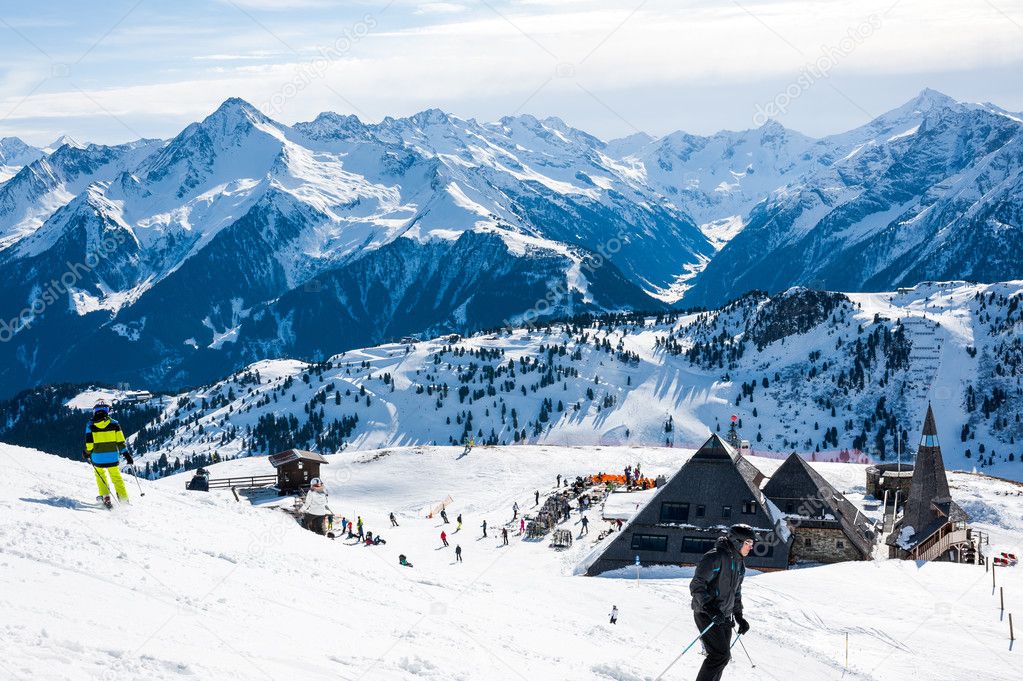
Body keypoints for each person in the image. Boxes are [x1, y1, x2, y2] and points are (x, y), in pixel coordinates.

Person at [689, 524, 754, 681]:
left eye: (752, 543)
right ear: (737, 541)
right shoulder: (715, 557)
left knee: (723, 657)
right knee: (719, 655)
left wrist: (739, 616)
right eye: (748, 543)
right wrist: (709, 608)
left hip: (724, 615)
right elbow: (697, 585)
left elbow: (736, 592)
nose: (751, 547)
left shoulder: (739, 563)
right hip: (706, 613)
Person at [83, 400, 133, 506]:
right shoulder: (115, 423)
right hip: (112, 457)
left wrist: (86, 452)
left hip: (97, 458)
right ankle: (124, 499)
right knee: (116, 477)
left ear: (94, 411)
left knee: (100, 476)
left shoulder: (90, 425)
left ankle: (105, 497)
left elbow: (89, 444)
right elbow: (120, 442)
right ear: (107, 411)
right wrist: (126, 454)